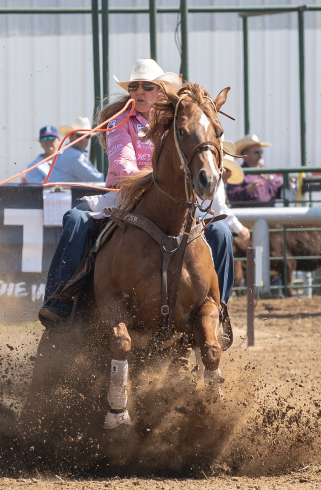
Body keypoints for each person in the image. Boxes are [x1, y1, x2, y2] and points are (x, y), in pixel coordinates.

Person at [38, 58, 234, 329]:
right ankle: (59, 299)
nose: (139, 91)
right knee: (77, 219)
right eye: (134, 86)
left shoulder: (178, 124)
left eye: (147, 86)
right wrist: (153, 183)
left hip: (174, 201)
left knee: (221, 233)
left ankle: (218, 312)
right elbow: (122, 165)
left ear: (161, 92)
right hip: (123, 194)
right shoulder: (120, 122)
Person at [227, 134, 283, 207]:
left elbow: (280, 191)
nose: (260, 154)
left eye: (261, 151)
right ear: (245, 155)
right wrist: (247, 189)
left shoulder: (267, 170)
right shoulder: (238, 172)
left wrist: (290, 184)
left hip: (269, 216)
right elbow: (232, 197)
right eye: (256, 151)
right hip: (247, 216)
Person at [46, 117, 104, 183]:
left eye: (87, 136)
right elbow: (96, 179)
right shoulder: (73, 155)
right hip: (60, 192)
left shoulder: (69, 152)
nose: (83, 139)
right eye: (79, 135)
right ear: (71, 136)